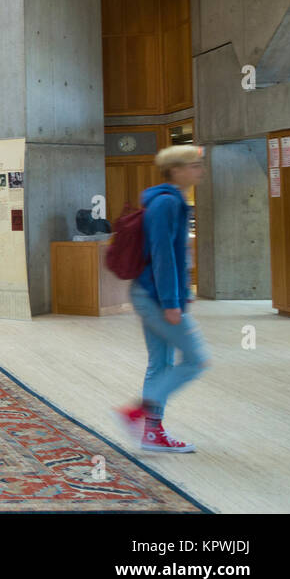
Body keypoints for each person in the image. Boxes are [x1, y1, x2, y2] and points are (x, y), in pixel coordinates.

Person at [116, 145, 209, 453]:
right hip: (154, 297)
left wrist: (181, 295)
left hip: (152, 294)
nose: (199, 171)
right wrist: (171, 302)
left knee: (161, 362)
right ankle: (138, 412)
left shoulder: (169, 201)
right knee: (196, 359)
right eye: (194, 166)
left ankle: (151, 433)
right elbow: (163, 256)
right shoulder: (167, 203)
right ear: (177, 170)